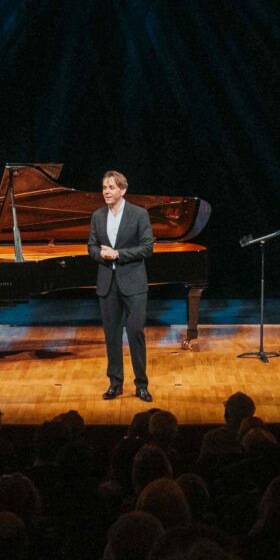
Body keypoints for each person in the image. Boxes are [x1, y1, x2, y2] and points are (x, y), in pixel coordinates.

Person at [90, 170, 153, 402]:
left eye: (111, 187)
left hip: (133, 283)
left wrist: (118, 254)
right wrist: (100, 254)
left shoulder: (139, 214)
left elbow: (147, 247)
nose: (106, 191)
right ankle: (115, 383)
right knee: (112, 335)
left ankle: (141, 384)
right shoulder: (97, 216)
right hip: (108, 284)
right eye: (104, 187)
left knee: (135, 331)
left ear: (123, 190)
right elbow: (91, 247)